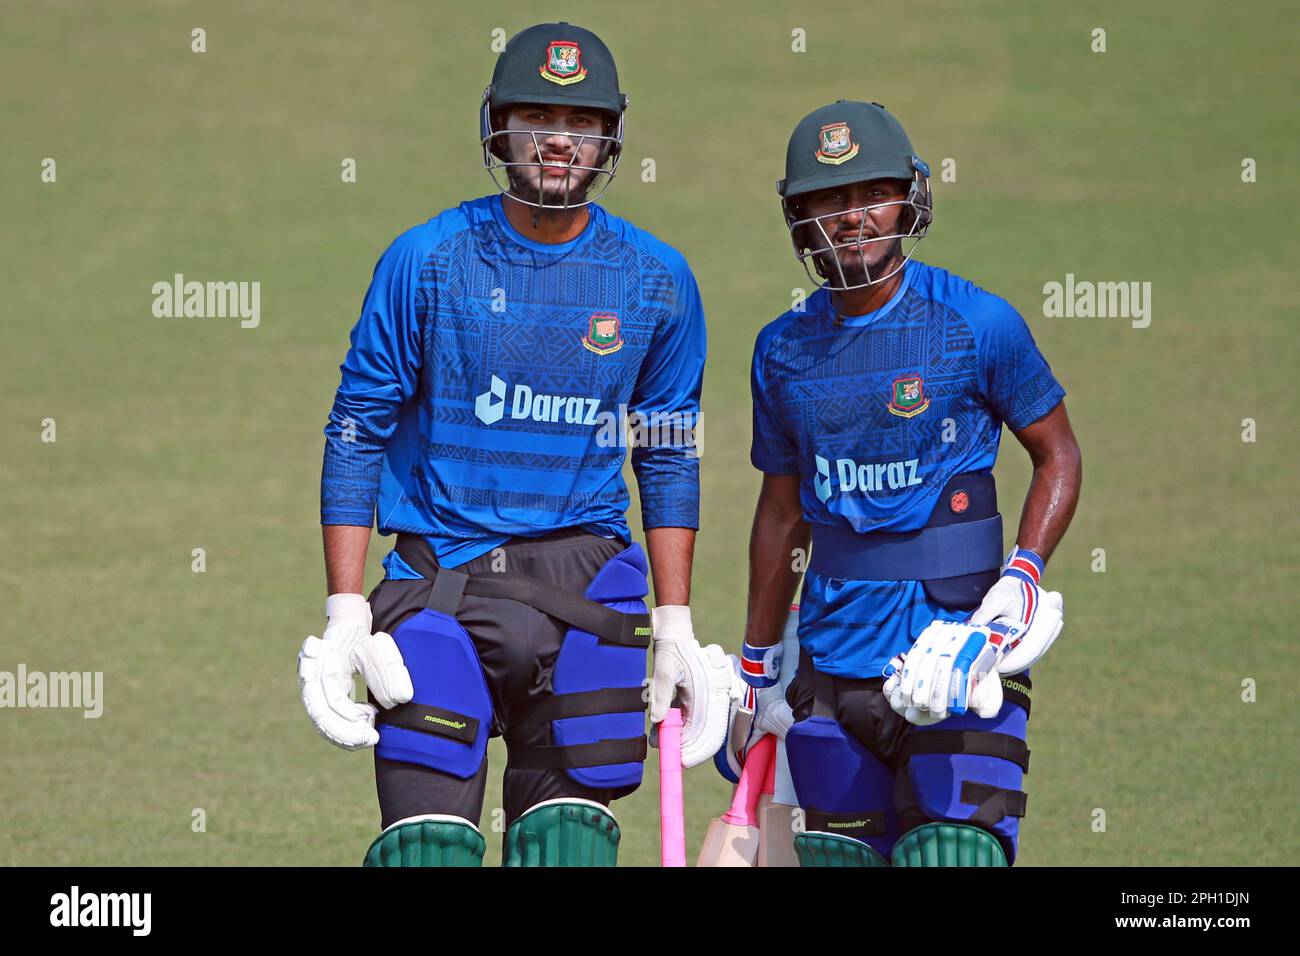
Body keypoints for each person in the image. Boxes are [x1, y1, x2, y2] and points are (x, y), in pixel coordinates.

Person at [296, 22, 731, 867]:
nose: (559, 139)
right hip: (439, 589)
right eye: (536, 117)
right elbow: (355, 429)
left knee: (565, 852)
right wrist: (345, 610)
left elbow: (670, 451)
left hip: (588, 593)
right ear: (497, 124)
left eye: (581, 121)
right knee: (428, 853)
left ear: (611, 136)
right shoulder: (425, 259)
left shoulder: (656, 279)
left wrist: (674, 623)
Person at [739, 100, 1082, 866]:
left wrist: (1023, 578)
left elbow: (1057, 453)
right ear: (799, 219)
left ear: (911, 199)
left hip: (965, 659)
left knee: (953, 856)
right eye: (829, 201)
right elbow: (781, 513)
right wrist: (755, 665)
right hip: (829, 669)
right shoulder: (781, 351)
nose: (852, 217)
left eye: (871, 195)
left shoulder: (977, 323)